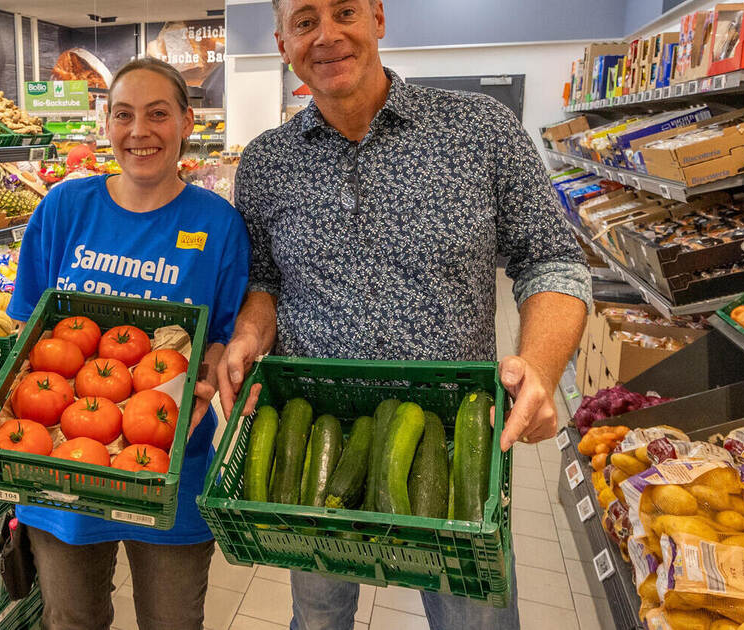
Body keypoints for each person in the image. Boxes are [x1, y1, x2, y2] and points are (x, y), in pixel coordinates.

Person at [217, 1, 592, 629]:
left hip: (453, 437)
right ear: (282, 42)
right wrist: (251, 334)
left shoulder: (481, 131)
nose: (328, 34)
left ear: (379, 19)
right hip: (316, 437)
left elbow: (551, 260)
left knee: (476, 620)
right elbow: (266, 279)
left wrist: (542, 368)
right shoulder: (265, 163)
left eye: (344, 12)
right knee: (318, 617)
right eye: (305, 21)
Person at [6, 57, 250, 630]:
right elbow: (29, 332)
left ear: (186, 122)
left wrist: (209, 380)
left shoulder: (217, 225)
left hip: (170, 464)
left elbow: (219, 339)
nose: (140, 131)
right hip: (62, 464)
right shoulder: (64, 209)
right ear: (107, 124)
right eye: (124, 115)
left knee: (171, 620)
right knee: (72, 620)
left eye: (158, 114)